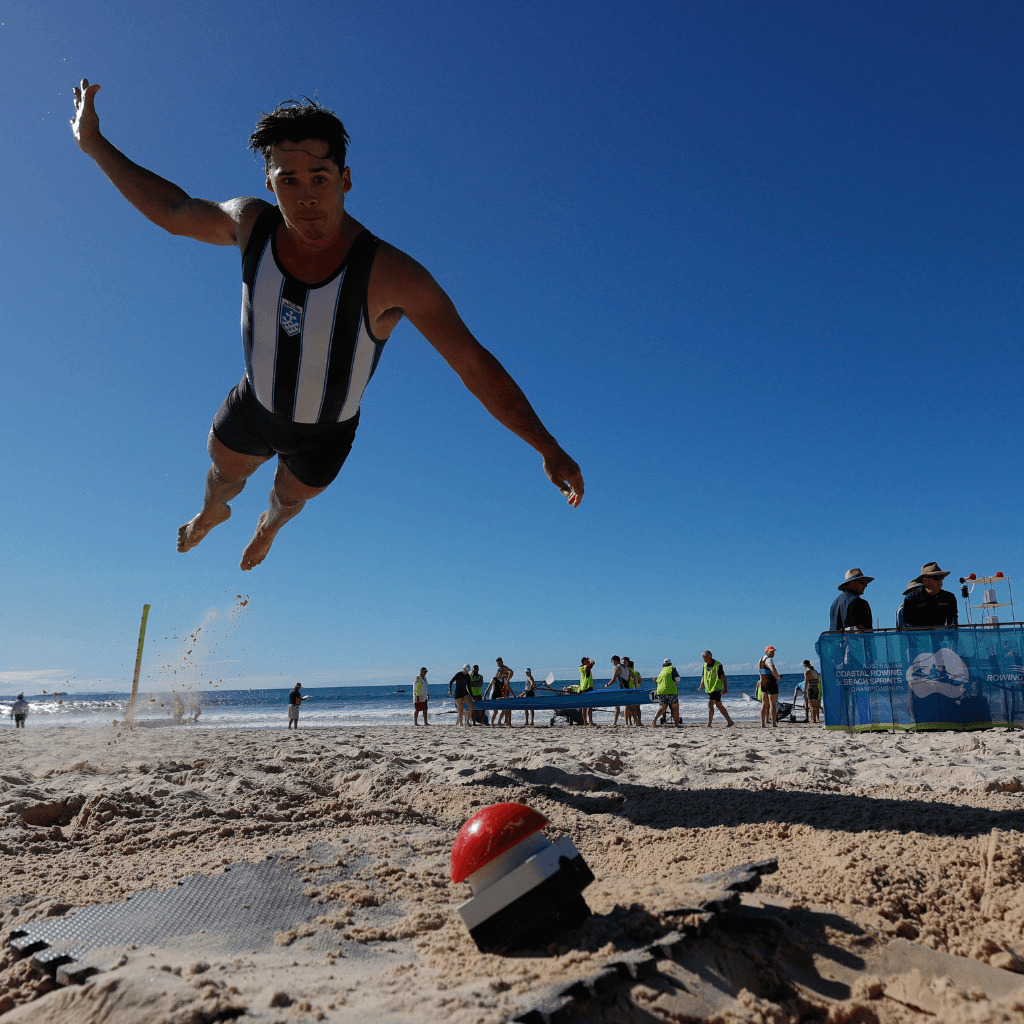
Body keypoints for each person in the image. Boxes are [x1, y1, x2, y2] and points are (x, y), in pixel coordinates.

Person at [70, 85, 585, 572]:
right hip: (254, 407)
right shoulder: (251, 225)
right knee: (223, 475)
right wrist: (92, 142)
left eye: (319, 177)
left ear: (345, 179)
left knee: (287, 500)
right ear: (269, 184)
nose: (306, 195)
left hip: (326, 435)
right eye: (288, 180)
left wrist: (546, 445)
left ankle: (269, 527)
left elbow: (471, 362)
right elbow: (174, 210)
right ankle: (211, 513)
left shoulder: (391, 275)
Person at [900, 562, 959, 629]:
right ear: (925, 580)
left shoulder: (949, 597)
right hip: (919, 635)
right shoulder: (911, 598)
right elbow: (908, 623)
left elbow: (953, 621)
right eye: (936, 578)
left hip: (940, 634)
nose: (940, 581)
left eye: (942, 578)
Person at [699, 651, 734, 728]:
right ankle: (730, 721)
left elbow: (723, 677)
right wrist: (701, 685)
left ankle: (709, 724)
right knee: (719, 705)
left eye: (704, 658)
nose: (703, 659)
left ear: (709, 657)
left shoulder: (718, 665)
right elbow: (703, 676)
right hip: (709, 689)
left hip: (717, 688)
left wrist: (726, 689)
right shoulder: (705, 665)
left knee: (710, 704)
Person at [652, 659, 681, 727]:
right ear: (670, 664)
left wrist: (655, 680)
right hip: (671, 691)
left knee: (662, 708)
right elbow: (678, 679)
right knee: (675, 708)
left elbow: (657, 681)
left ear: (663, 664)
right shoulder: (672, 669)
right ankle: (676, 724)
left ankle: (654, 720)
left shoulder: (662, 671)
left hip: (660, 691)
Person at [566, 657, 595, 725]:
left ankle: (589, 722)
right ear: (585, 662)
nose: (589, 661)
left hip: (588, 687)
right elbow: (593, 662)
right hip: (585, 688)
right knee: (585, 707)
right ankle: (586, 722)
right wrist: (589, 659)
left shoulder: (585, 667)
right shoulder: (584, 667)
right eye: (587, 661)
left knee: (589, 706)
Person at [758, 646, 781, 727]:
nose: (773, 653)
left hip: (763, 682)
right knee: (772, 704)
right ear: (767, 652)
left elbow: (760, 672)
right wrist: (777, 677)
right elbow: (773, 670)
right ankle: (774, 723)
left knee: (764, 704)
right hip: (771, 682)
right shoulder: (769, 659)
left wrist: (761, 680)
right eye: (771, 651)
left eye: (773, 651)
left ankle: (762, 723)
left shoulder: (761, 659)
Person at [605, 656, 628, 725]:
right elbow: (631, 677)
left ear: (615, 660)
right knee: (626, 706)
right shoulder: (626, 667)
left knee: (618, 706)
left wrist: (607, 685)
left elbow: (613, 680)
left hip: (622, 689)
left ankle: (615, 722)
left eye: (612, 662)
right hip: (627, 688)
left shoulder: (617, 667)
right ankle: (631, 722)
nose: (613, 664)